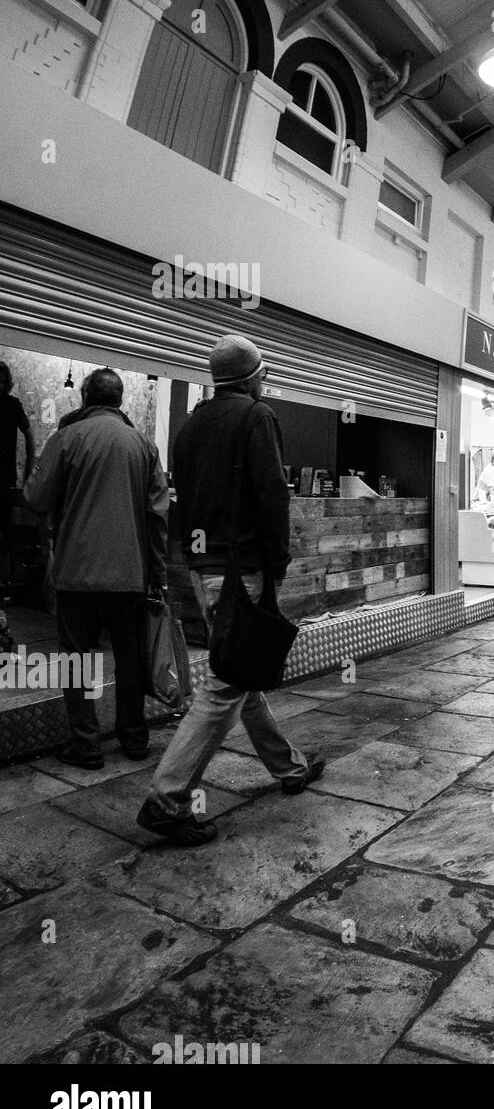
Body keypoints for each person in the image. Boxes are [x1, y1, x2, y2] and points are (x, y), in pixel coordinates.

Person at [137, 335, 321, 847]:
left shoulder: (191, 425)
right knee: (224, 685)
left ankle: (288, 768)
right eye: (264, 372)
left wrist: (194, 561)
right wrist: (277, 564)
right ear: (253, 375)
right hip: (242, 570)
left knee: (239, 671)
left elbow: (182, 498)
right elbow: (271, 496)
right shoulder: (257, 417)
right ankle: (167, 800)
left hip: (203, 567)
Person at [23, 368, 168, 770]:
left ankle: (86, 744)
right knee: (130, 656)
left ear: (85, 397)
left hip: (77, 571)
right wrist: (157, 574)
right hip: (130, 573)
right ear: (120, 400)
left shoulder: (67, 437)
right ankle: (135, 739)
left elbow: (35, 496)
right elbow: (158, 515)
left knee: (76, 657)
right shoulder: (143, 445)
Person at [0, 360, 34, 586]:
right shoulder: (12, 405)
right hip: (6, 476)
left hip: (4, 477)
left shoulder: (12, 404)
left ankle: (7, 581)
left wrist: (28, 473)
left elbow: (30, 437)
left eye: (3, 381)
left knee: (5, 530)